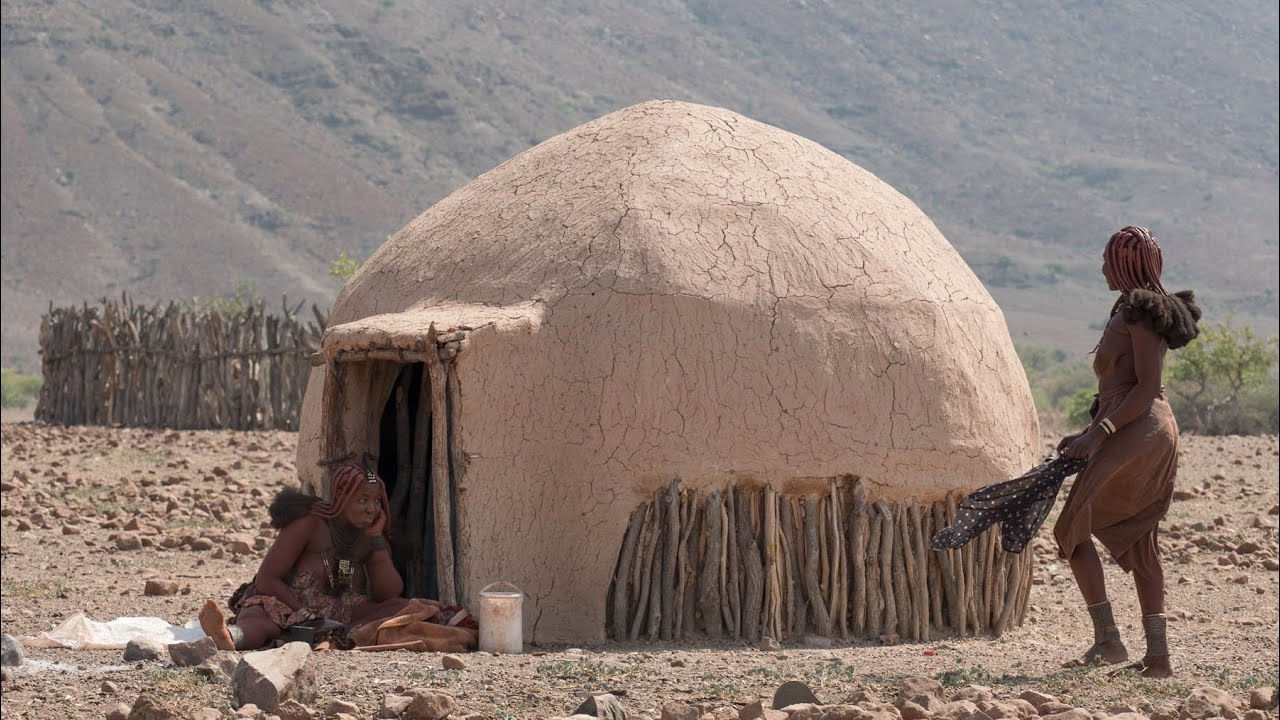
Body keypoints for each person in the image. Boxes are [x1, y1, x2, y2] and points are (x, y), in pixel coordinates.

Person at [1054, 226, 1200, 678]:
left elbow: (1146, 388)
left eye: (1106, 259)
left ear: (1125, 263)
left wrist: (1098, 436)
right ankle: (1156, 658)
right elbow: (1119, 389)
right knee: (1138, 538)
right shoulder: (1130, 308)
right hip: (1133, 425)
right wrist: (1089, 430)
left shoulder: (1139, 314)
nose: (1101, 267)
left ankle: (1109, 641)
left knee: (1072, 527)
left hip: (1140, 427)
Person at [199, 463, 412, 651]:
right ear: (342, 498)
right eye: (363, 499)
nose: (371, 509)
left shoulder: (369, 536)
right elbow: (267, 579)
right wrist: (302, 613)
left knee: (400, 608)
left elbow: (389, 592)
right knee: (261, 619)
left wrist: (376, 540)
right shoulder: (310, 524)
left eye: (377, 501)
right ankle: (229, 637)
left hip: (337, 614)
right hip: (285, 604)